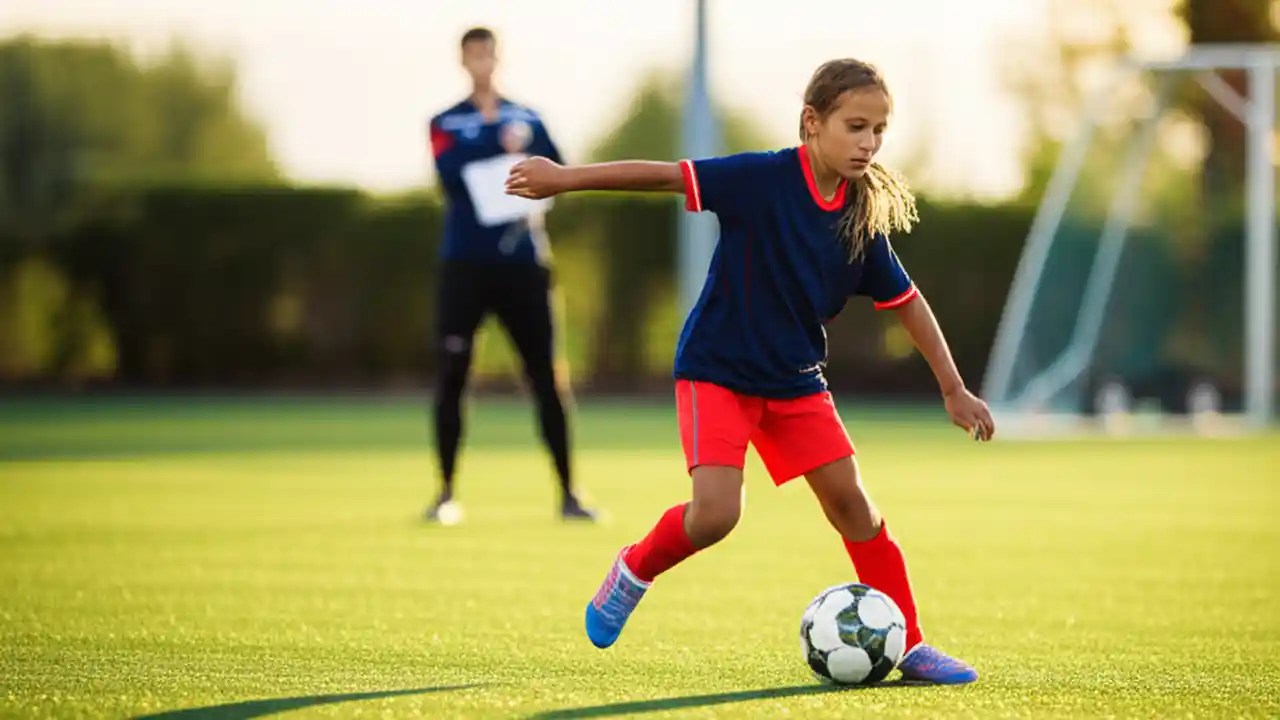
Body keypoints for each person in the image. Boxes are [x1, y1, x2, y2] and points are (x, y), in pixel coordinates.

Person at [505, 58, 995, 683]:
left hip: (794, 380)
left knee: (855, 508)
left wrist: (953, 389)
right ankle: (633, 570)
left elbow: (908, 304)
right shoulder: (761, 178)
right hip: (718, 369)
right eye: (855, 126)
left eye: (879, 130)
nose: (869, 143)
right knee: (715, 515)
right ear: (811, 123)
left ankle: (912, 644)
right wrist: (563, 179)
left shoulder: (860, 216)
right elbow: (662, 179)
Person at [427, 27, 595, 524]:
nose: (482, 62)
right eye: (472, 55)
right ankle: (445, 493)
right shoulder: (446, 122)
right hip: (465, 265)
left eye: (488, 53)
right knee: (452, 374)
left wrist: (525, 166)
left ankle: (569, 493)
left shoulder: (529, 118)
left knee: (546, 375)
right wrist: (507, 160)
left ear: (498, 58)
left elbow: (557, 173)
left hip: (523, 263)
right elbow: (453, 178)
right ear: (462, 60)